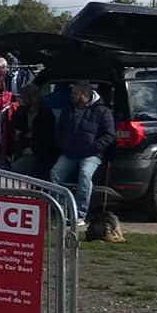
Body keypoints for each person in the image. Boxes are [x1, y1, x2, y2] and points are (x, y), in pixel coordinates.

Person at [51, 79, 114, 223]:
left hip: (91, 154)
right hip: (70, 152)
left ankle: (80, 213)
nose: (71, 95)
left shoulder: (102, 111)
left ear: (84, 95)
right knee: (56, 173)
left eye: (74, 93)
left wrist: (93, 148)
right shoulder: (68, 108)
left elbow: (110, 135)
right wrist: (63, 144)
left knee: (85, 175)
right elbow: (59, 129)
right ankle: (61, 210)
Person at [9, 82, 58, 178]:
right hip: (23, 147)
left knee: (18, 168)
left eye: (24, 97)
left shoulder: (46, 114)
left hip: (41, 151)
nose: (21, 99)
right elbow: (17, 129)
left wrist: (33, 149)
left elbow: (47, 137)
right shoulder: (22, 111)